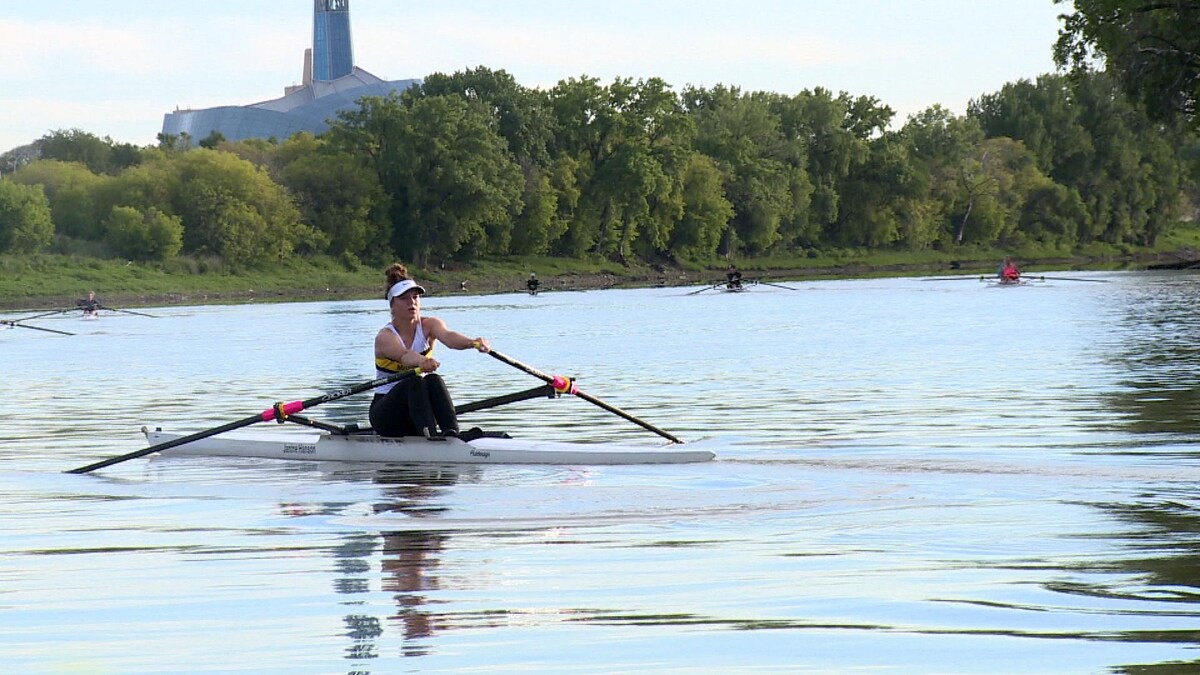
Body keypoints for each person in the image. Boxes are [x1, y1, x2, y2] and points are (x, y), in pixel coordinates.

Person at [369, 263, 490, 440]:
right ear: (392, 305)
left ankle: (452, 434)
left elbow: (449, 337)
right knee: (415, 381)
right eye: (404, 298)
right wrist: (421, 361)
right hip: (387, 415)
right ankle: (431, 437)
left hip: (417, 410)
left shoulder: (429, 325)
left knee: (434, 379)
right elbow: (404, 355)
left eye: (415, 297)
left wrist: (472, 342)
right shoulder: (385, 336)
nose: (412, 302)